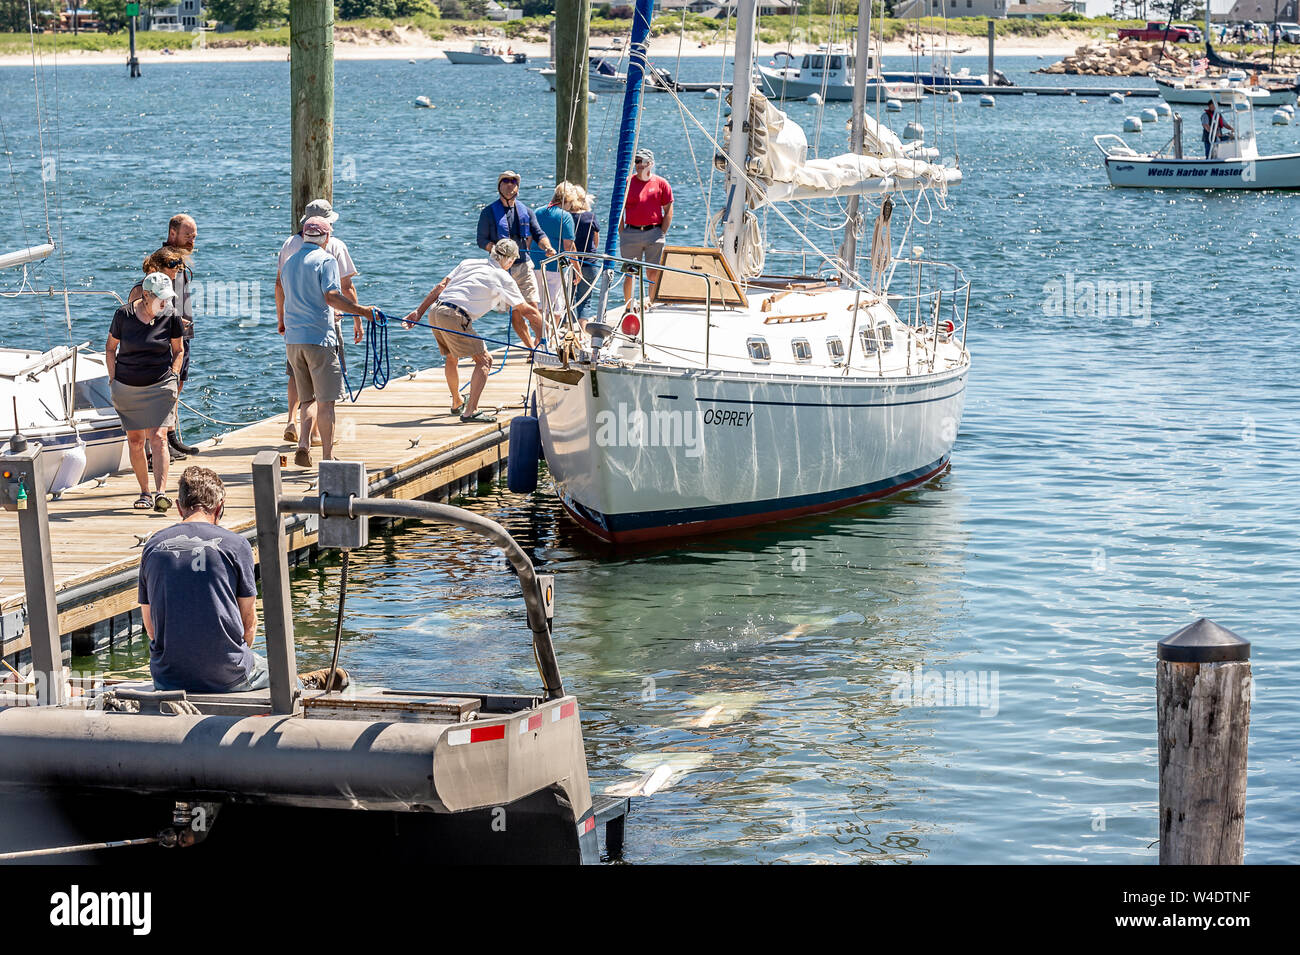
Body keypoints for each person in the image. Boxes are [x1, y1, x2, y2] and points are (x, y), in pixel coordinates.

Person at [139, 466, 262, 693]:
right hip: (228, 675)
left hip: (167, 677)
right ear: (220, 506)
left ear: (178, 507)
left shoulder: (153, 546)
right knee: (285, 675)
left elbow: (151, 627)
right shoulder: (237, 545)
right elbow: (249, 624)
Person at [401, 239, 543, 424]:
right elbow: (526, 310)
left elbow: (441, 286)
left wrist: (419, 312)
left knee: (452, 356)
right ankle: (471, 411)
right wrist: (544, 333)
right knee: (485, 360)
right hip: (454, 315)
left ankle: (456, 402)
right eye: (512, 261)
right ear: (509, 260)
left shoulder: (468, 262)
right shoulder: (503, 276)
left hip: (435, 311)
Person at [278, 216, 374, 468]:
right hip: (319, 339)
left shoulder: (289, 263)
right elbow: (331, 296)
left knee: (306, 399)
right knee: (326, 402)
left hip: (293, 341)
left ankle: (303, 445)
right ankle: (328, 458)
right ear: (326, 238)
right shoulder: (326, 260)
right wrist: (362, 311)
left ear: (304, 236)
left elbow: (285, 294)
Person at [107, 272, 185, 512]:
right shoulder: (123, 315)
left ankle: (161, 493)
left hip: (160, 385)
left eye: (167, 298)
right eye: (160, 298)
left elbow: (179, 350)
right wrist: (113, 380)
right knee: (135, 441)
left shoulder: (171, 316)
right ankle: (145, 492)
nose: (165, 303)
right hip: (127, 386)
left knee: (159, 437)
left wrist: (173, 376)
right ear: (146, 295)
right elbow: (111, 348)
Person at [476, 170, 555, 347]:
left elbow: (538, 234)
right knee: (517, 313)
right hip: (502, 269)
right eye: (506, 181)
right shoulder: (488, 213)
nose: (510, 184)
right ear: (499, 186)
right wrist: (497, 250)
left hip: (524, 266)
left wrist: (547, 247)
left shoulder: (526, 211)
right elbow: (481, 240)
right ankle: (530, 347)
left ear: (518, 187)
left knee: (533, 308)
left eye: (513, 181)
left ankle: (541, 343)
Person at [619, 147, 673, 303]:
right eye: (637, 161)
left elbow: (668, 209)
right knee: (631, 273)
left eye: (642, 161)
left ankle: (652, 301)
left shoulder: (661, 183)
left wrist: (662, 232)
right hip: (631, 234)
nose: (639, 165)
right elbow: (618, 208)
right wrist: (622, 231)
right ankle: (629, 306)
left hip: (654, 233)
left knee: (653, 273)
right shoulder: (627, 183)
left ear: (650, 163)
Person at [531, 181, 579, 321]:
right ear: (568, 200)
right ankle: (550, 336)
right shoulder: (565, 216)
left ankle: (540, 336)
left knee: (539, 303)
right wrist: (577, 269)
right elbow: (569, 246)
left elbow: (529, 237)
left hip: (535, 262)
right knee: (556, 306)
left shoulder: (538, 211)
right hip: (555, 265)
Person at [569, 186, 601, 325]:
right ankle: (582, 331)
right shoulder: (590, 217)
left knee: (567, 299)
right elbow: (596, 241)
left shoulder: (566, 217)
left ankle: (566, 330)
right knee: (585, 300)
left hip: (571, 264)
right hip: (589, 263)